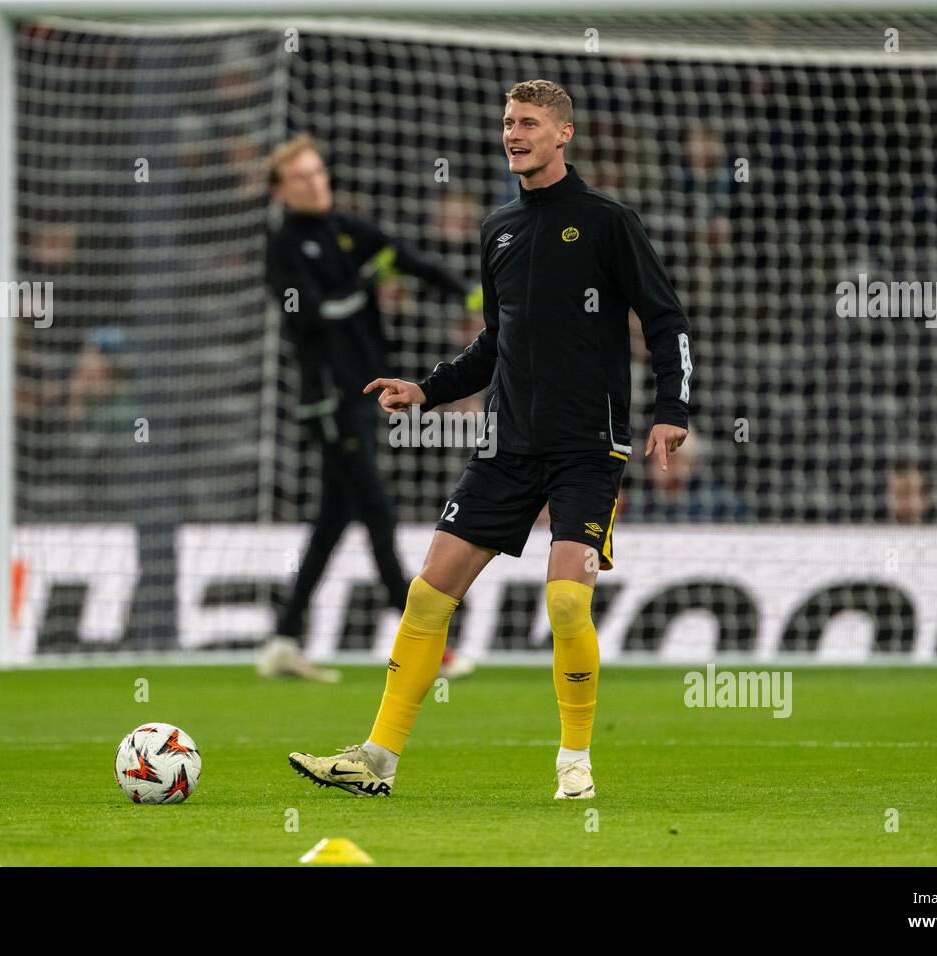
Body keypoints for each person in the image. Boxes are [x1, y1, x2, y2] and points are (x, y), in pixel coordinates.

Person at [289, 80, 693, 799]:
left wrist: (673, 406)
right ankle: (376, 760)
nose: (514, 133)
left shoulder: (606, 221)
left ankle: (575, 761)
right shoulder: (499, 228)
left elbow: (665, 320)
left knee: (567, 603)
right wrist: (427, 388)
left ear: (563, 134)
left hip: (586, 447)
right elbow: (494, 343)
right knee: (425, 596)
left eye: (529, 122)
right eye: (508, 122)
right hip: (506, 445)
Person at [260, 134, 480, 682]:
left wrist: (472, 297)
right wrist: (368, 281)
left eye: (319, 173)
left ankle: (284, 637)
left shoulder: (344, 228)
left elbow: (405, 258)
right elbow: (311, 315)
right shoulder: (285, 245)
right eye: (303, 177)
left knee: (334, 519)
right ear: (281, 190)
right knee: (376, 511)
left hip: (362, 392)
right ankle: (424, 641)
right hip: (331, 399)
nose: (316, 183)